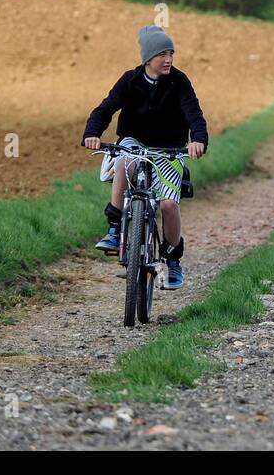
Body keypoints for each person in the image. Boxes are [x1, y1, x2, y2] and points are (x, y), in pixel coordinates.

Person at [81, 25, 207, 290]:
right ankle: (115, 229)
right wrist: (92, 133)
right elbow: (105, 109)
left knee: (169, 206)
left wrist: (198, 140)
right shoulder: (130, 80)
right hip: (134, 141)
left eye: (171, 53)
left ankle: (172, 260)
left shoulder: (179, 81)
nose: (169, 59)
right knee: (124, 161)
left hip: (170, 148)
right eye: (162, 53)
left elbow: (193, 113)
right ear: (148, 58)